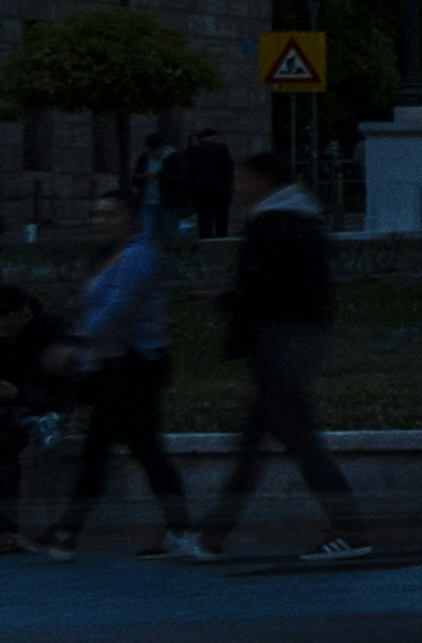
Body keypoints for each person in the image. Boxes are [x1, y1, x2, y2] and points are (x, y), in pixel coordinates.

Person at [199, 150, 366, 560]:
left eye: (244, 180)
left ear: (262, 181)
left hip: (276, 345)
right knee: (256, 443)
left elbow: (263, 287)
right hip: (293, 342)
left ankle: (350, 530)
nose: (237, 189)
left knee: (297, 443)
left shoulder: (271, 224)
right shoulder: (303, 218)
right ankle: (213, 535)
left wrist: (226, 301)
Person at [29, 186, 192, 558]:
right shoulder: (111, 259)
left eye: (110, 214)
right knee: (131, 448)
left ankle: (67, 533)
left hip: (136, 366)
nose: (100, 221)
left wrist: (74, 344)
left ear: (133, 220)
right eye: (96, 214)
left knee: (116, 449)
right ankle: (178, 529)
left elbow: (118, 308)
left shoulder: (138, 257)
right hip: (115, 367)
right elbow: (97, 307)